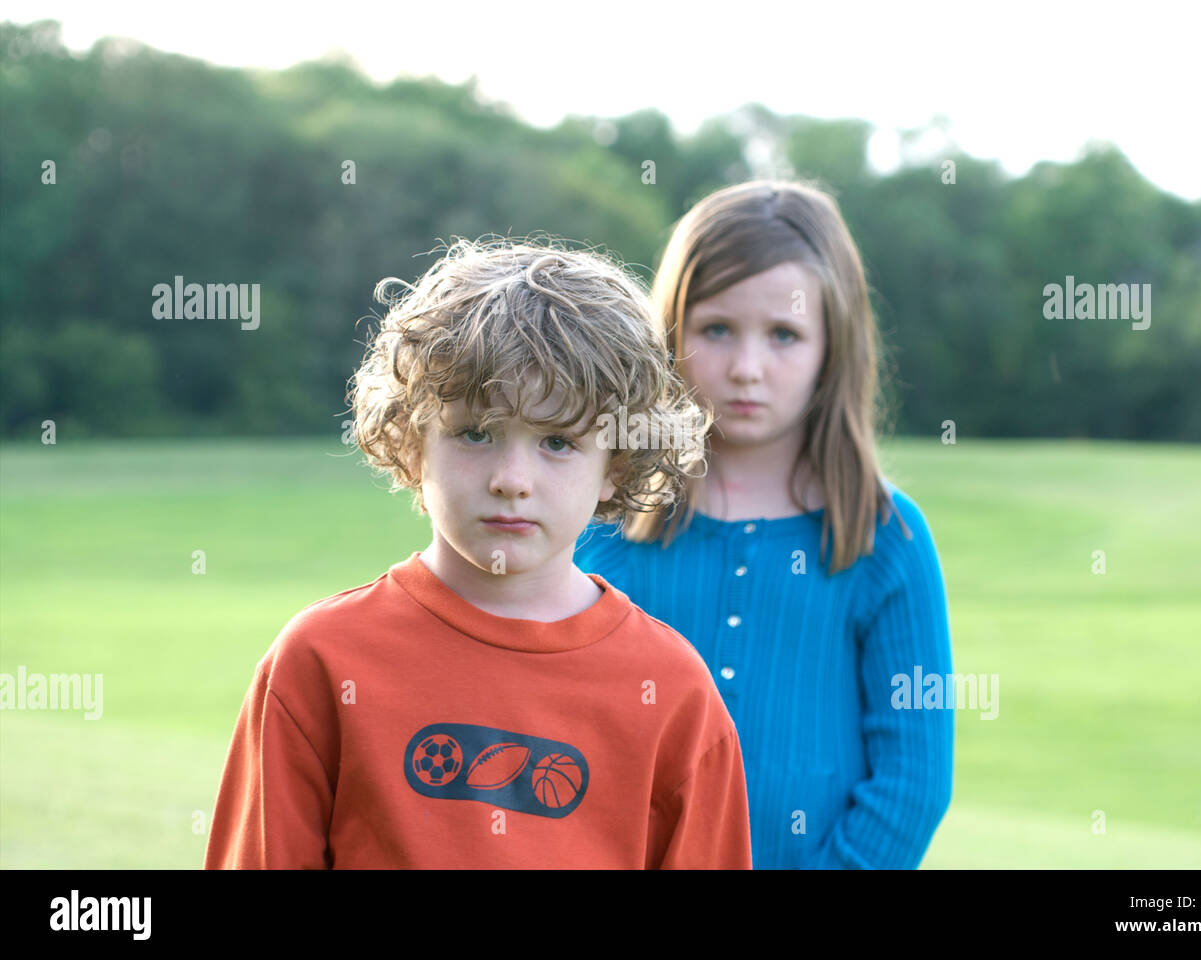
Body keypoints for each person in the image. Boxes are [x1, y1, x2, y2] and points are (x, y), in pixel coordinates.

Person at [203, 238, 751, 869]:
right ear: (412, 443)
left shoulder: (673, 690)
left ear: (616, 465)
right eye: (475, 433)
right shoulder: (322, 661)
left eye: (558, 442)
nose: (511, 478)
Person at [574, 180, 954, 868]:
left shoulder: (883, 538)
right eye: (717, 329)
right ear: (671, 334)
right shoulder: (602, 520)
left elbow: (912, 785)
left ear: (833, 347)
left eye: (784, 335)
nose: (747, 369)